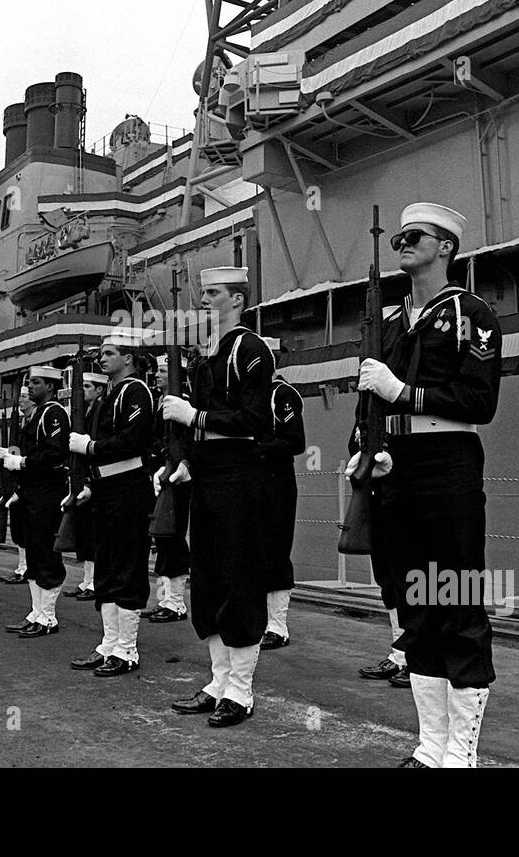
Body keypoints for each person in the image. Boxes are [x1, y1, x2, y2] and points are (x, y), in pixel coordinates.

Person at [355, 202, 501, 768]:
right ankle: (429, 744)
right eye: (398, 238)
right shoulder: (391, 322)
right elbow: (370, 401)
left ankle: (460, 753)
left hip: (447, 462)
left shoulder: (471, 313)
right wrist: (360, 451)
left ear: (445, 246)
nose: (402, 244)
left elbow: (479, 400)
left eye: (414, 236)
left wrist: (402, 394)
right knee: (416, 607)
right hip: (396, 465)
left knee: (456, 601)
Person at [164, 266, 274, 728]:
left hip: (238, 472)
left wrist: (195, 417)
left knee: (237, 576)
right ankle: (218, 680)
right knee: (207, 578)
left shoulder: (250, 349)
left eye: (214, 293)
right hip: (207, 472)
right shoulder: (206, 352)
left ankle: (242, 691)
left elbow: (252, 420)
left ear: (237, 299)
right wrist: (185, 458)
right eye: (205, 292)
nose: (205, 299)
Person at [69, 336, 154, 676]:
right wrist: (90, 481)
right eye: (102, 353)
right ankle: (109, 644)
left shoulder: (135, 392)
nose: (102, 359)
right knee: (105, 566)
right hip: (105, 487)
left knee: (127, 566)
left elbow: (133, 440)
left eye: (110, 354)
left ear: (129, 359)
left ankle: (127, 650)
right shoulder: (108, 394)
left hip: (129, 488)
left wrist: (90, 448)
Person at [1, 365, 69, 638]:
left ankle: (48, 616)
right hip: (31, 490)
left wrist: (24, 462)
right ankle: (36, 612)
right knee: (33, 551)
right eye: (30, 382)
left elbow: (55, 454)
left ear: (51, 386)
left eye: (36, 382)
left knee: (46, 553)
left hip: (47, 491)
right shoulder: (36, 415)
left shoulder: (54, 414)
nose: (30, 387)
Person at [259, 338, 306, 650]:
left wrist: (255, 448)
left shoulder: (281, 394)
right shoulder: (245, 397)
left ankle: (277, 625)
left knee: (275, 553)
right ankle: (258, 620)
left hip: (275, 481)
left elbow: (295, 442)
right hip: (249, 482)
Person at [145, 354, 190, 623]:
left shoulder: (183, 401)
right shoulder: (158, 402)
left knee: (172, 535)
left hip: (178, 477)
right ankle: (165, 598)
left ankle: (176, 603)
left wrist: (181, 464)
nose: (157, 375)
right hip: (162, 473)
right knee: (161, 537)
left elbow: (186, 439)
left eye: (163, 371)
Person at [64, 369, 104, 602]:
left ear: (99, 389)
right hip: (81, 478)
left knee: (93, 534)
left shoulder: (99, 410)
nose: (84, 391)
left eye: (89, 387)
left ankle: (94, 582)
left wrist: (89, 482)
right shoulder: (85, 412)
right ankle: (87, 580)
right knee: (85, 534)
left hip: (95, 481)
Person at [0, 387, 33, 585]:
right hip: (17, 480)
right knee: (18, 528)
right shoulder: (22, 422)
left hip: (29, 482)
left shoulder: (33, 421)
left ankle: (27, 568)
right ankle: (22, 567)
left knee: (27, 528)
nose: (21, 400)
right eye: (20, 396)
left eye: (25, 397)